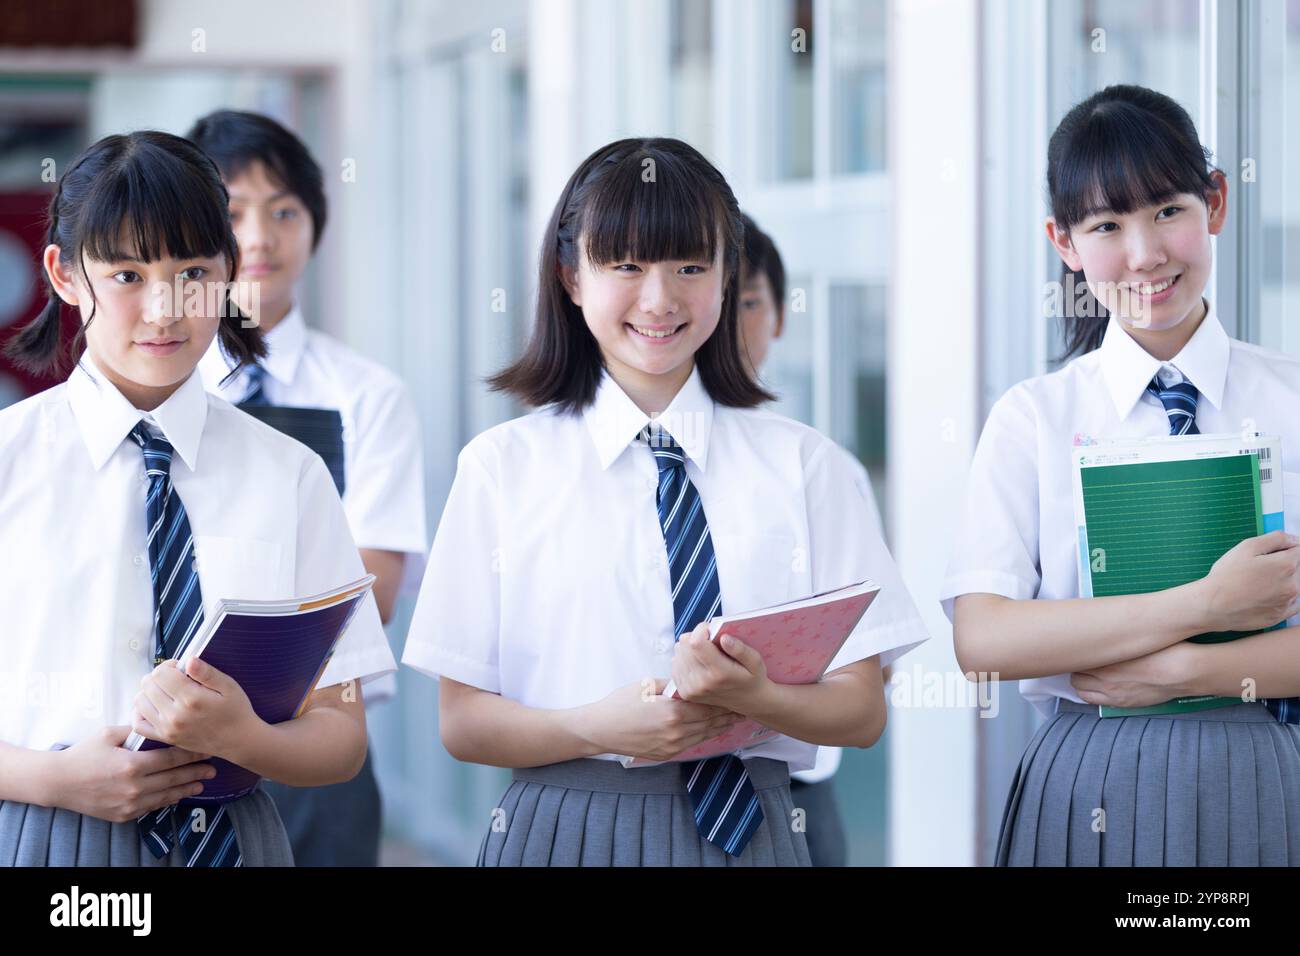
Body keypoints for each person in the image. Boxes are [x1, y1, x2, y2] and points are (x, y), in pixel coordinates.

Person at [403, 137, 928, 866]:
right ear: (572, 277)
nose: (660, 298)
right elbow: (462, 724)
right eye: (626, 265)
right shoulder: (501, 468)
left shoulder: (809, 467)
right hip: (563, 830)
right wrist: (599, 727)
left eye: (691, 266)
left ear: (726, 275)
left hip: (757, 829)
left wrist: (759, 699)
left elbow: (862, 710)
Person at [0, 130, 395, 866]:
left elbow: (342, 739)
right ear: (63, 274)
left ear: (229, 272)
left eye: (192, 273)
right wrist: (53, 779)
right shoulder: (8, 463)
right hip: (40, 833)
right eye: (125, 275)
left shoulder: (291, 474)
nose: (164, 309)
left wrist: (239, 739)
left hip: (238, 839)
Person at [942, 85, 1300, 866]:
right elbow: (985, 640)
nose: (1145, 254)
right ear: (1063, 243)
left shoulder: (1292, 400)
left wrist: (1186, 671)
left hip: (1270, 766)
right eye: (1107, 225)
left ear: (1216, 204)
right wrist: (1207, 603)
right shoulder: (1032, 419)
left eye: (1168, 210)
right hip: (1088, 780)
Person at [188, 111, 428, 866]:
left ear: (314, 227)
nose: (259, 240)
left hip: (319, 750)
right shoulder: (156, 390)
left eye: (284, 211)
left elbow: (371, 594)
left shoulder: (367, 394)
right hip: (165, 743)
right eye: (231, 213)